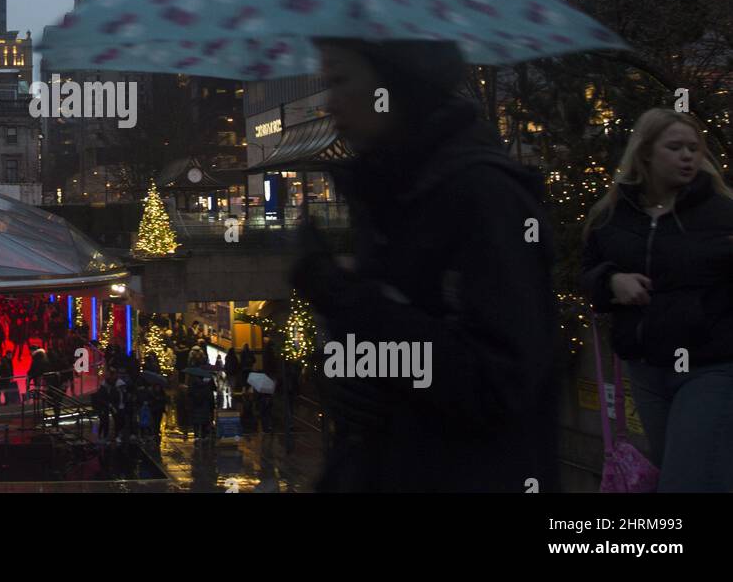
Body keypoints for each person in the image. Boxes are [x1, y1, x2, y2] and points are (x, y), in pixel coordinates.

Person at [293, 38, 559, 492]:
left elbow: (497, 383)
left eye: (339, 80)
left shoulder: (484, 197)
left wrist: (348, 302)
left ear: (394, 83)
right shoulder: (390, 194)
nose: (330, 102)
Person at [581, 108, 733, 492]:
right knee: (691, 474)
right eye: (675, 147)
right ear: (645, 152)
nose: (688, 156)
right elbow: (588, 272)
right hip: (646, 370)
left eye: (694, 148)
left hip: (710, 368)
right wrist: (612, 281)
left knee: (685, 482)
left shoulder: (721, 213)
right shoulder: (612, 214)